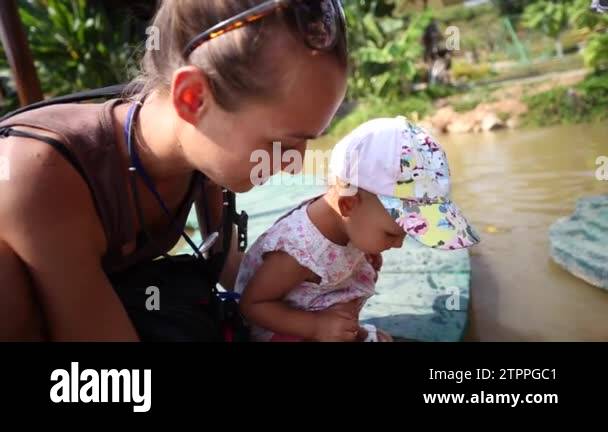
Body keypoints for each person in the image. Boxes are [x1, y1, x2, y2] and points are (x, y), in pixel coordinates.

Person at [0, 0, 348, 341]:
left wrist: (320, 284)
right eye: (285, 142)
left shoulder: (201, 149)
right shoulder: (40, 172)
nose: (294, 164)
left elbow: (224, 256)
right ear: (193, 98)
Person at [234, 116, 481, 342]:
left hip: (316, 309)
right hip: (281, 330)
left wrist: (363, 254)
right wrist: (316, 327)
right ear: (348, 204)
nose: (398, 244)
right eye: (392, 233)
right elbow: (253, 305)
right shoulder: (300, 249)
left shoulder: (349, 224)